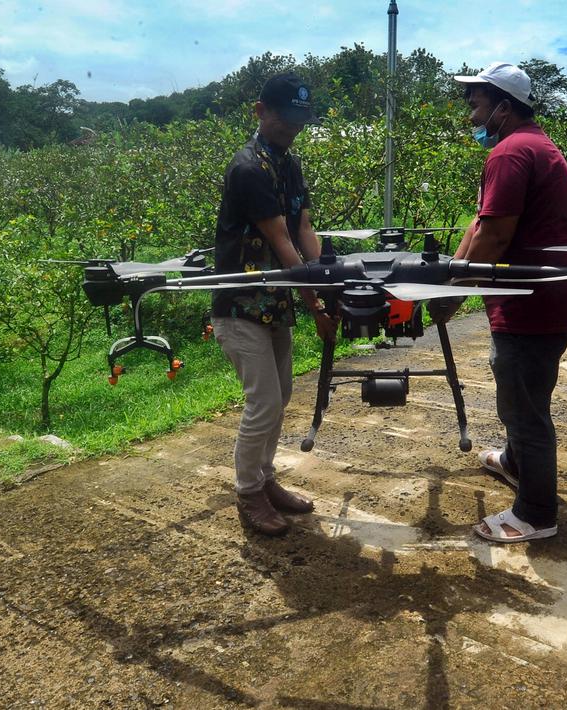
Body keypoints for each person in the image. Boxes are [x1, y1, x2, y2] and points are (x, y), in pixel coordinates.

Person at [436, 62, 567, 543]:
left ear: (503, 107)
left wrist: (453, 293)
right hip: (549, 298)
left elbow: (496, 236)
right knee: (525, 391)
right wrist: (451, 277)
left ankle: (536, 513)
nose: (471, 115)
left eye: (477, 104)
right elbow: (481, 224)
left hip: (534, 302)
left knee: (523, 405)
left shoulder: (510, 152)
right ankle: (514, 463)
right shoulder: (532, 145)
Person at [211, 71, 338, 537]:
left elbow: (304, 229)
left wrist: (330, 281)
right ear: (260, 112)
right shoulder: (248, 168)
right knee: (263, 402)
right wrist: (318, 304)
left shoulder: (289, 163)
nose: (292, 129)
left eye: (299, 121)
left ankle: (266, 480)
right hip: (241, 302)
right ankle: (248, 493)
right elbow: (282, 242)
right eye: (284, 120)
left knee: (281, 396)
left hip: (274, 301)